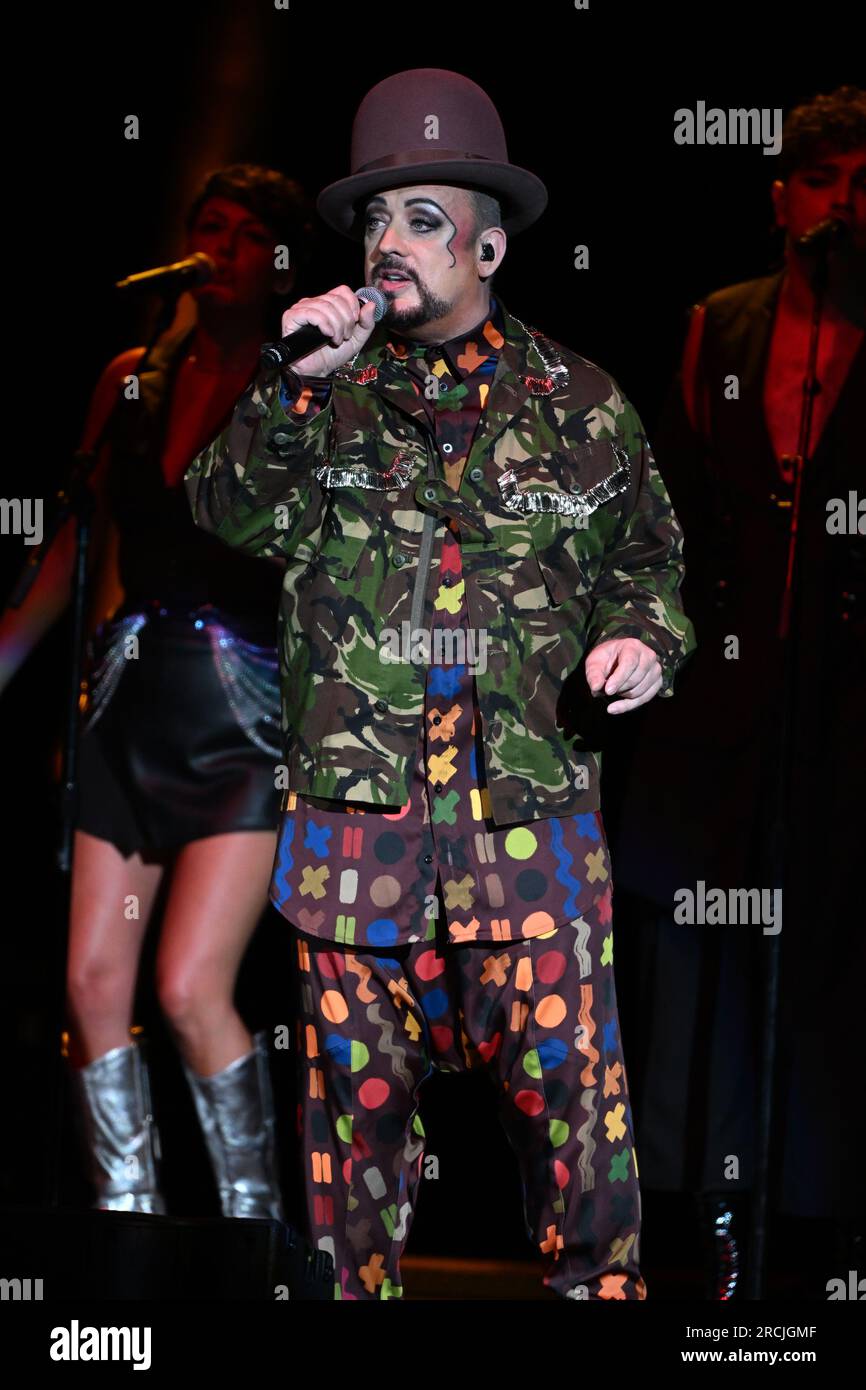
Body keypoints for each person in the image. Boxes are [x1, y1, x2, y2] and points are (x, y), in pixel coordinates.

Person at [185, 69, 696, 1300]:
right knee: (347, 1180)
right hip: (360, 847)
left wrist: (641, 642)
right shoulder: (322, 389)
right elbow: (224, 510)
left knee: (583, 1147)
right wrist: (293, 379)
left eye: (419, 219)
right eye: (373, 220)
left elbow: (652, 571)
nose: (388, 245)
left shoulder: (581, 405)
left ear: (487, 242)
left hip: (528, 843)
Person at [0, 163, 313, 1218]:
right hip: (132, 699)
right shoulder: (131, 377)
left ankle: (250, 1233)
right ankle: (127, 1245)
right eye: (205, 228)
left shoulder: (304, 386)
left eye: (244, 235)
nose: (218, 249)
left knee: (187, 986)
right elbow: (81, 547)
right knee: (91, 984)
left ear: (279, 264)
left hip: (245, 716)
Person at [606, 85, 865, 1297]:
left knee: (819, 994)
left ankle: (809, 1257)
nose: (842, 203)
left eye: (863, 181)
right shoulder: (717, 325)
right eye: (820, 179)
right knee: (692, 979)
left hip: (842, 722)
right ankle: (686, 1243)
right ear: (778, 199)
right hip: (712, 719)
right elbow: (656, 523)